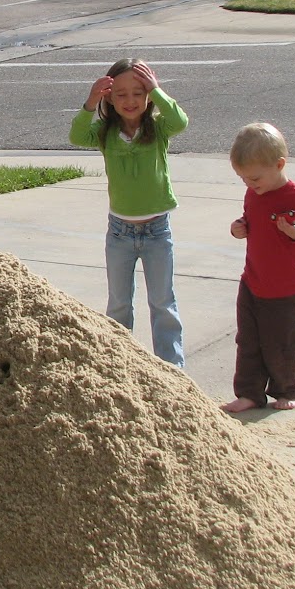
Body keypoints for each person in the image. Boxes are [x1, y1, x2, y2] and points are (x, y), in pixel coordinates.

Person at [69, 58, 189, 367]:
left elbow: (180, 121)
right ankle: (118, 366)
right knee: (119, 305)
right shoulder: (104, 132)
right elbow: (76, 136)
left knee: (163, 303)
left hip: (157, 231)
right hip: (120, 233)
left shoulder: (159, 128)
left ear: (148, 96)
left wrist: (158, 90)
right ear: (109, 98)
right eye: (120, 94)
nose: (130, 101)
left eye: (138, 92)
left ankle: (172, 369)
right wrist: (89, 103)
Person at [221, 121, 295, 413]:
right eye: (243, 180)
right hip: (253, 281)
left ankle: (284, 389)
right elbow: (249, 221)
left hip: (287, 288)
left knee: (282, 344)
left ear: (279, 164)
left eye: (254, 178)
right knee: (248, 342)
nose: (250, 185)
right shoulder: (254, 194)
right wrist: (239, 228)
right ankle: (250, 393)